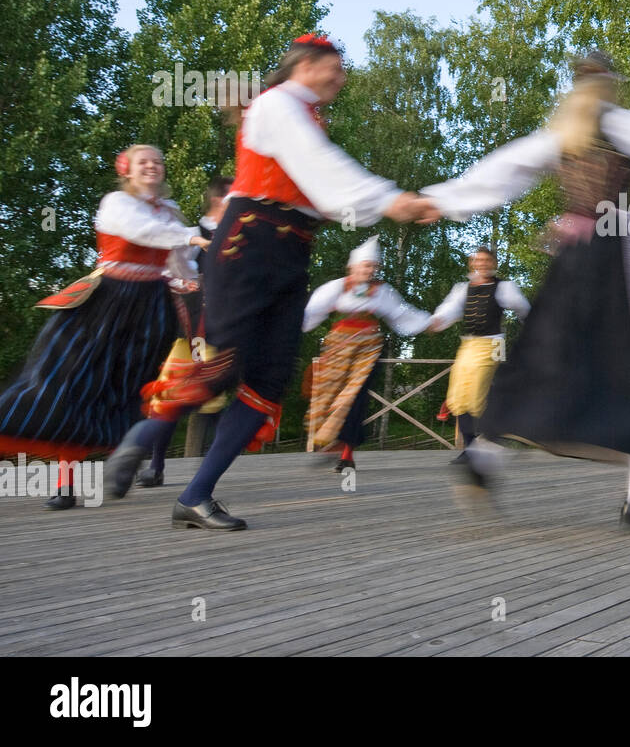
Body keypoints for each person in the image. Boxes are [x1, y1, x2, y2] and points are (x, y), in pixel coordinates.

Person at [103, 34, 438, 530]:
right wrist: (390, 201)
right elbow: (325, 171)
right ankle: (139, 439)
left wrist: (385, 207)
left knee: (269, 380)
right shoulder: (278, 105)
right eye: (336, 68)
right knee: (221, 367)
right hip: (248, 242)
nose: (342, 79)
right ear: (306, 64)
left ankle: (195, 496)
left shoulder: (306, 117)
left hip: (290, 249)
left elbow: (323, 195)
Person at [419, 50, 630, 533]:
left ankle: (482, 459)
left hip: (572, 260)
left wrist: (438, 200)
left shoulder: (559, 134)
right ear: (611, 84)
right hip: (619, 262)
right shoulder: (624, 125)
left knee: (542, 363)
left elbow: (499, 173)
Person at [0, 145, 207, 508]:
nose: (152, 167)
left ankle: (124, 458)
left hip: (150, 306)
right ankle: (65, 484)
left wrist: (198, 274)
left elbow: (178, 261)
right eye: (144, 162)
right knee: (73, 383)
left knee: (129, 388)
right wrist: (192, 235)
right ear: (126, 169)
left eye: (157, 161)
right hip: (107, 301)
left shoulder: (170, 212)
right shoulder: (117, 203)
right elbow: (144, 232)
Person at [302, 236, 437, 471]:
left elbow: (401, 313)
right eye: (366, 265)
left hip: (368, 350)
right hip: (338, 348)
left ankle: (347, 453)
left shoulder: (382, 291)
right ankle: (332, 441)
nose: (371, 270)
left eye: (374, 266)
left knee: (355, 397)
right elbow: (311, 312)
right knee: (329, 393)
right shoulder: (336, 287)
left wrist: (427, 322)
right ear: (352, 266)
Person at [136, 175, 233, 487]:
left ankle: (208, 471)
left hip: (227, 325)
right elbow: (171, 268)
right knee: (175, 392)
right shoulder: (195, 234)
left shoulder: (240, 237)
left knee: (214, 395)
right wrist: (186, 283)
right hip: (194, 330)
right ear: (220, 200)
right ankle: (156, 464)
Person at [428, 247, 530, 465]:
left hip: (493, 343)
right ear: (472, 264)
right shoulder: (462, 289)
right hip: (468, 345)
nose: (482, 264)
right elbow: (449, 310)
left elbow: (523, 308)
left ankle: (495, 435)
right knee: (457, 396)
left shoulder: (503, 287)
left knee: (475, 393)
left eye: (486, 260)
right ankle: (471, 446)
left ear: (493, 264)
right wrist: (437, 321)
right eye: (478, 260)